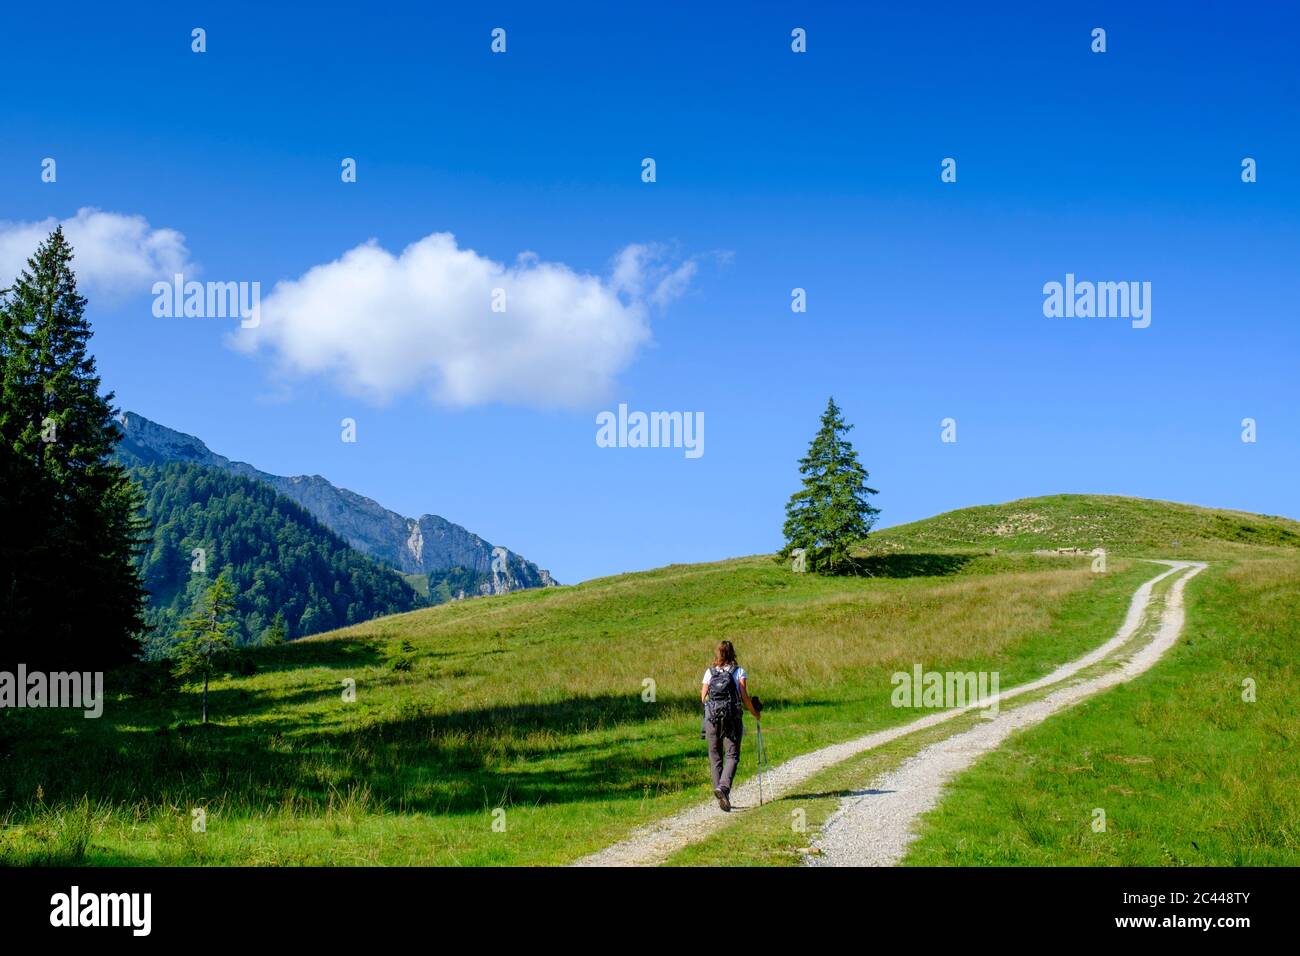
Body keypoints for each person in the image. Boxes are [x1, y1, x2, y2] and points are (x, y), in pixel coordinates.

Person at [701, 640, 761, 811]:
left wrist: (712, 709)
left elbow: (703, 697)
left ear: (718, 654)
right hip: (731, 718)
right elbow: (744, 697)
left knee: (715, 756)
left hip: (711, 719)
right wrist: (755, 713)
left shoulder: (710, 672)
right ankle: (723, 788)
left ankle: (721, 793)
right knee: (732, 755)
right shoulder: (738, 671)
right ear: (732, 653)